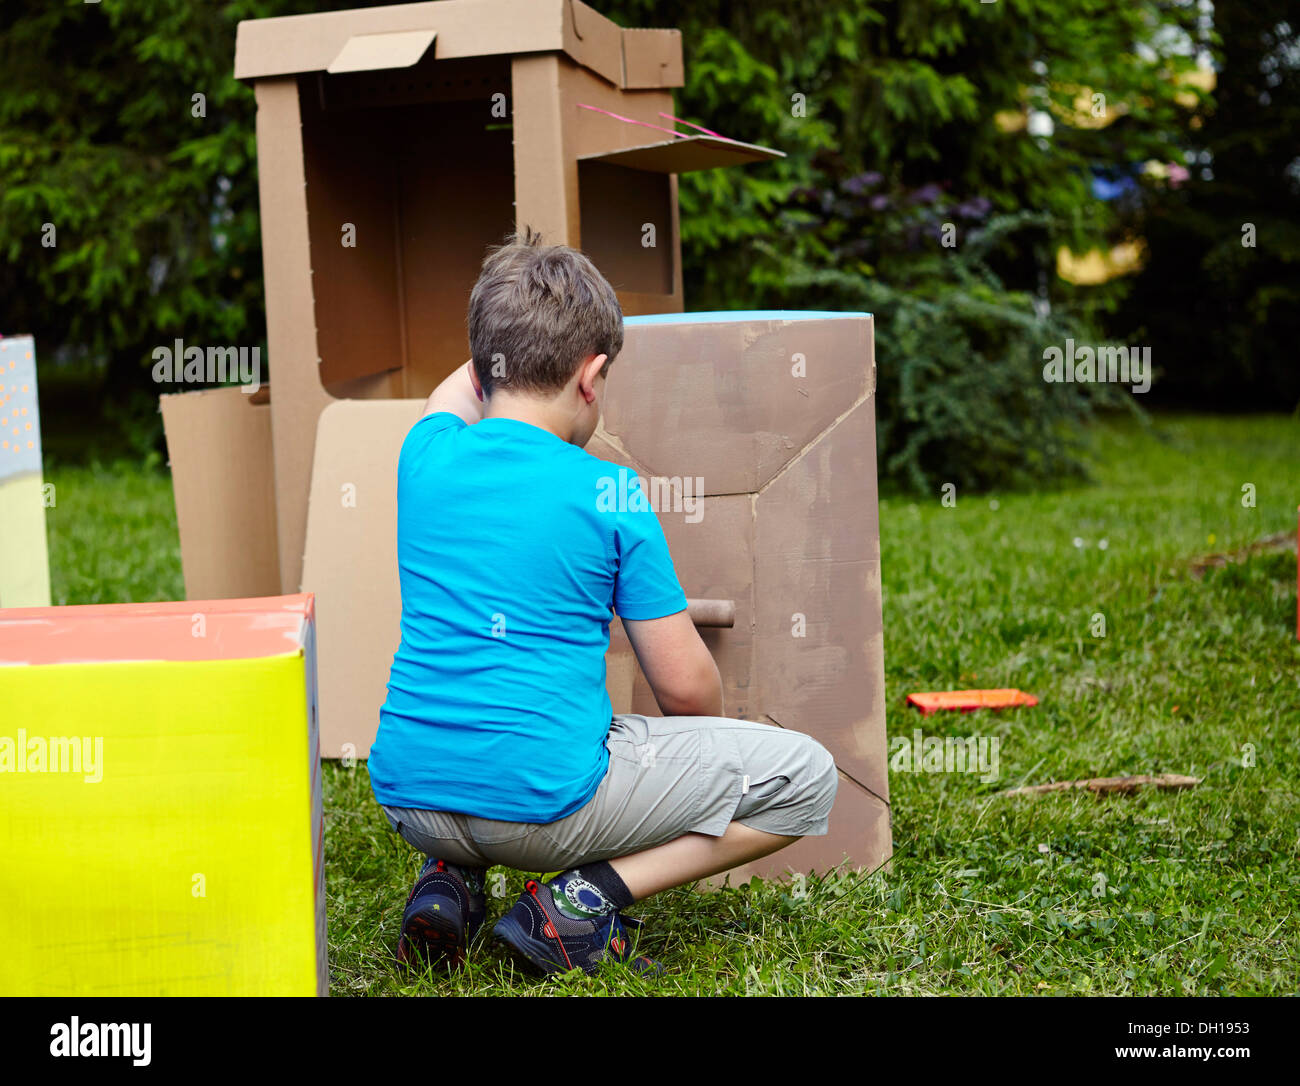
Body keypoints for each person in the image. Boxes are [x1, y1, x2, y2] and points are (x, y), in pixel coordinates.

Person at [367, 229, 838, 976]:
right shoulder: (610, 491)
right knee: (806, 776)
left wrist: (508, 333)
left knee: (492, 730)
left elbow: (455, 388)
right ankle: (579, 905)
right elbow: (685, 692)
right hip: (543, 809)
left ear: (487, 364)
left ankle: (447, 879)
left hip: (409, 798)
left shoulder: (424, 455)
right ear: (591, 378)